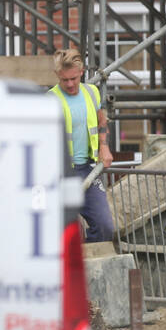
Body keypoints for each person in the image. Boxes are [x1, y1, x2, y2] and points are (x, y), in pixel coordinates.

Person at [49, 48, 115, 243]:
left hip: (88, 170)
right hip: (61, 174)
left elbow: (101, 122)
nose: (69, 84)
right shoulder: (50, 100)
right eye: (64, 80)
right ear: (57, 76)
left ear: (81, 72)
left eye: (73, 79)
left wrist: (104, 147)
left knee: (104, 227)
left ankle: (89, 267)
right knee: (63, 234)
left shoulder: (91, 92)